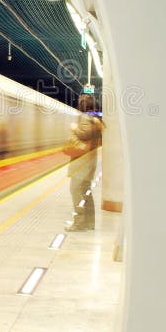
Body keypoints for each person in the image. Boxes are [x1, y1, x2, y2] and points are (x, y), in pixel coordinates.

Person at [65, 94, 104, 232]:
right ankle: (89, 223)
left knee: (76, 191)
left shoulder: (86, 118)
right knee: (85, 191)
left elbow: (85, 134)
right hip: (88, 161)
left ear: (84, 104)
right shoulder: (95, 119)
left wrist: (74, 128)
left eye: (80, 102)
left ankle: (79, 223)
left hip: (82, 161)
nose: (78, 103)